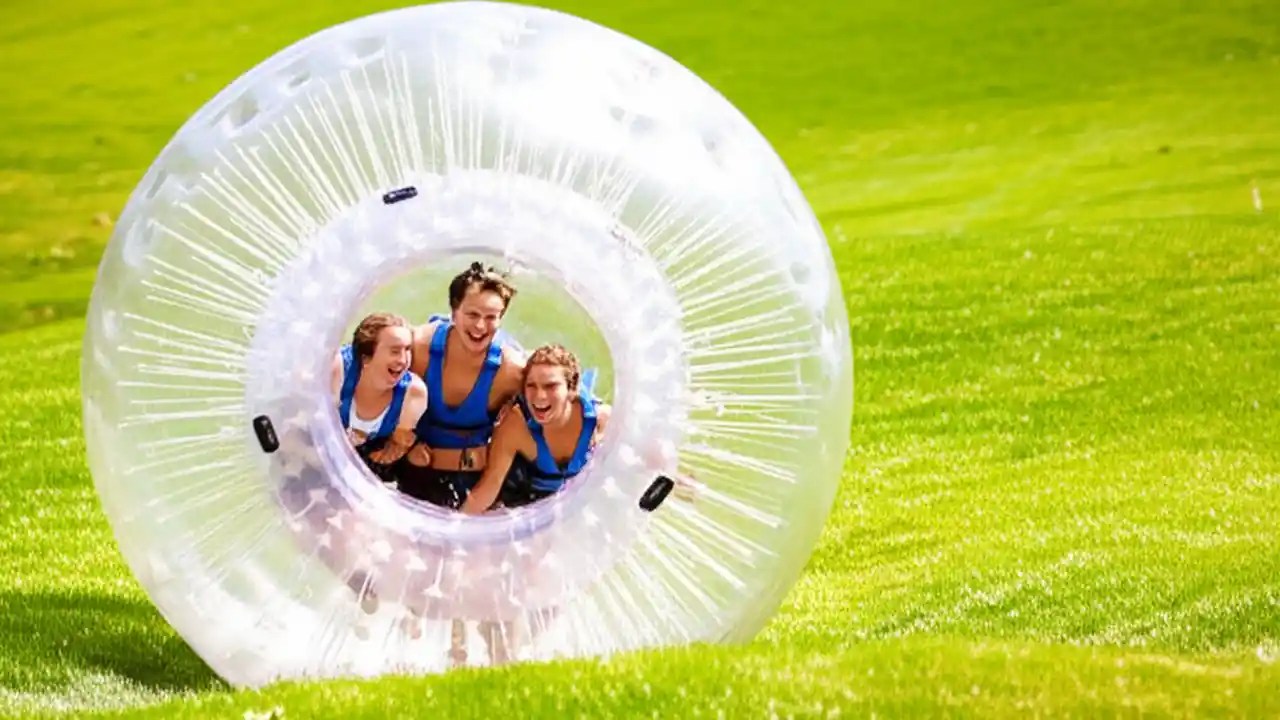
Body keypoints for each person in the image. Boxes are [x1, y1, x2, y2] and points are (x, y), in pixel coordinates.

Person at [397, 262, 525, 508]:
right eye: (472, 315)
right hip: (410, 458)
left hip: (466, 473)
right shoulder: (419, 349)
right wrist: (404, 443)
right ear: (454, 312)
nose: (480, 326)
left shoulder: (510, 372)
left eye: (491, 318)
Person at [461, 344, 610, 515]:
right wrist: (456, 530)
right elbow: (488, 488)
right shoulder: (516, 425)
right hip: (522, 494)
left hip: (569, 501)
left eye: (550, 386)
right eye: (532, 386)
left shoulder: (599, 423)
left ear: (571, 389)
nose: (539, 396)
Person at [330, 312, 428, 479]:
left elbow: (396, 447)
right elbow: (312, 426)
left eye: (407, 350)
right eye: (395, 351)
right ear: (366, 357)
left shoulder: (413, 394)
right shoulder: (338, 370)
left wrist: (397, 449)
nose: (403, 360)